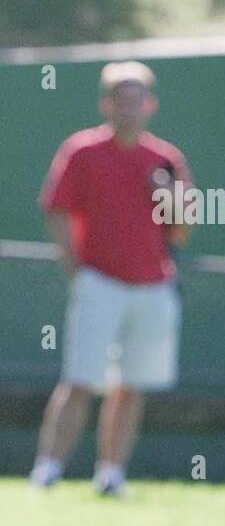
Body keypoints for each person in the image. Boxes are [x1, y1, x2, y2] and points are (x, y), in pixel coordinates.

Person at [29, 61, 190, 497]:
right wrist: (76, 268)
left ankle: (111, 473)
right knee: (80, 380)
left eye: (138, 100)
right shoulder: (81, 151)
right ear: (107, 103)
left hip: (154, 286)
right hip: (98, 282)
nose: (130, 108)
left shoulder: (166, 159)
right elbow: (57, 209)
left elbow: (182, 229)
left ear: (150, 105)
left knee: (131, 385)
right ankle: (48, 469)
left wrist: (168, 195)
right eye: (121, 99)